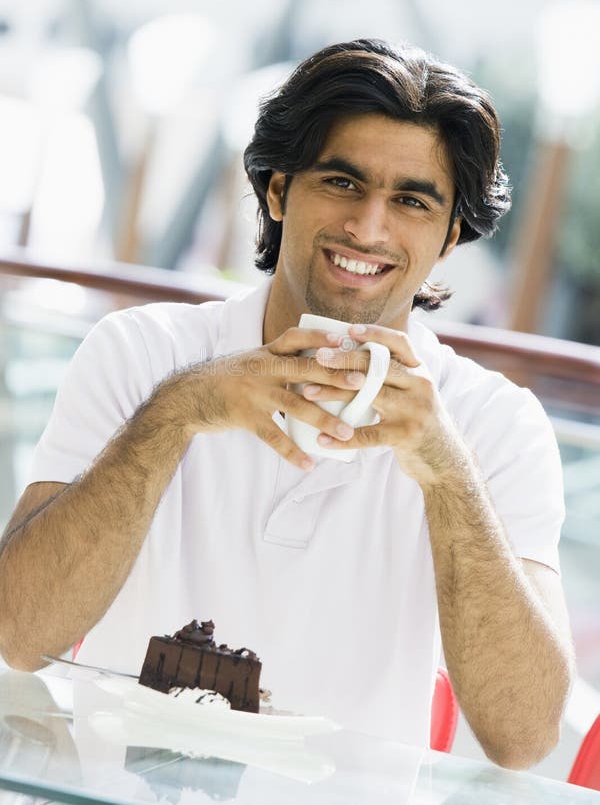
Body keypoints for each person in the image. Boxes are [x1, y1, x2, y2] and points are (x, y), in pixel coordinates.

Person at [0, 39, 574, 768]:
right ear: (277, 190)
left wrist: (445, 471)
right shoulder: (140, 353)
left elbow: (524, 737)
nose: (369, 228)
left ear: (451, 234)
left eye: (411, 200)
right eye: (341, 182)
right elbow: (19, 633)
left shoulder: (497, 424)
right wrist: (177, 411)